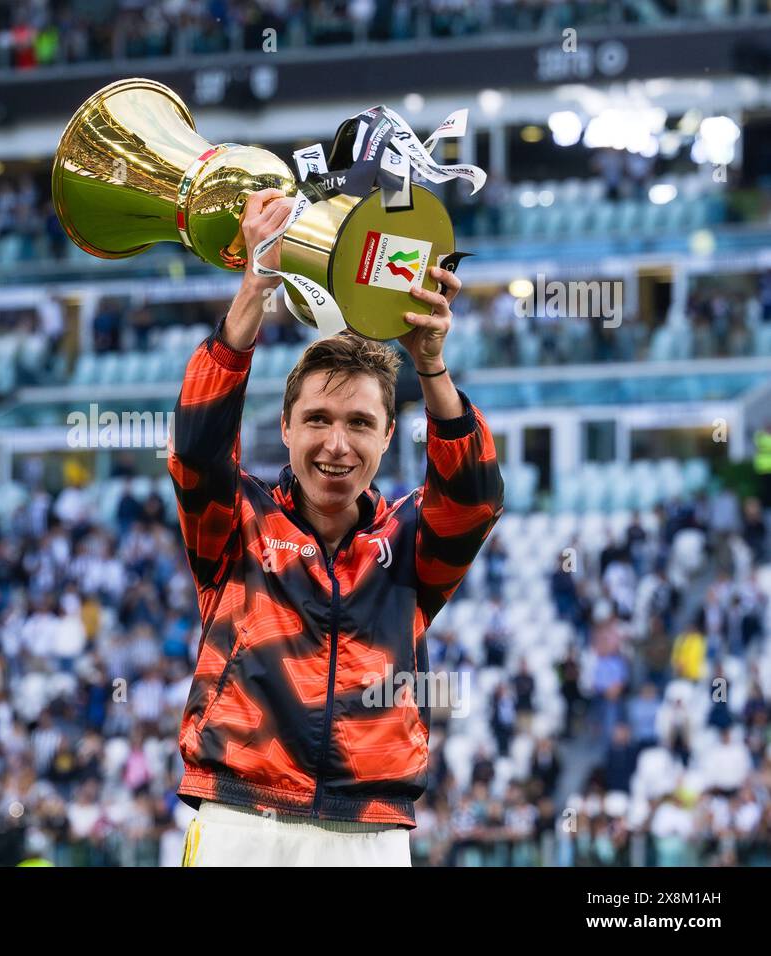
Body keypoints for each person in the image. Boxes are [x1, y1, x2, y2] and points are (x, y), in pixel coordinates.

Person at [169, 189, 505, 866]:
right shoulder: (240, 524)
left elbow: (474, 498)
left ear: (386, 440)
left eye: (359, 424)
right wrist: (255, 287)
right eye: (318, 419)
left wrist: (430, 364)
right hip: (240, 817)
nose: (336, 444)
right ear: (286, 428)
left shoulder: (409, 542)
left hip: (370, 833)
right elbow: (198, 448)